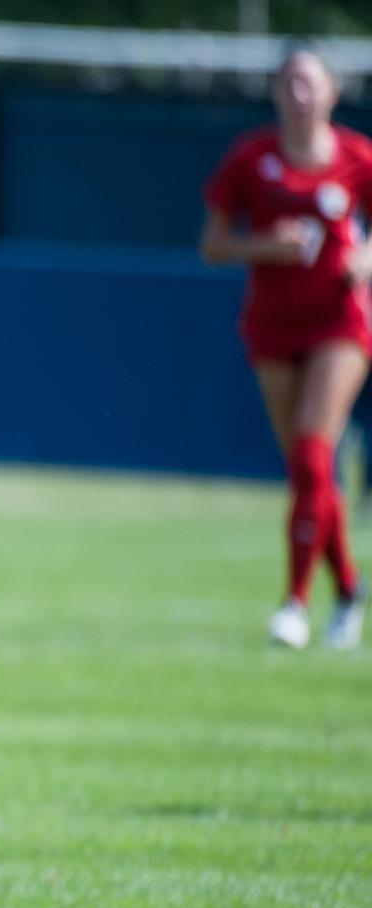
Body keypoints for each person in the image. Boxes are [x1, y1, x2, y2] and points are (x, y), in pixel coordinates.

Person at [201, 46, 369, 650]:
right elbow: (213, 244)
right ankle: (348, 589)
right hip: (273, 323)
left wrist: (364, 259)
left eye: (310, 82)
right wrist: (263, 246)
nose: (300, 94)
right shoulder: (251, 159)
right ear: (276, 92)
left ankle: (295, 603)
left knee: (314, 450)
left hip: (340, 320)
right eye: (290, 83)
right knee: (306, 469)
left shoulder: (358, 157)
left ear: (332, 92)